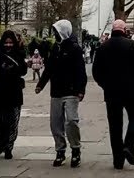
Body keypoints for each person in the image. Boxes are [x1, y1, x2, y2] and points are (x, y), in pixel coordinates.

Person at [93, 20, 134, 170]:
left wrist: (104, 85)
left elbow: (96, 71)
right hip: (131, 91)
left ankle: (117, 160)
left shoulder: (103, 47)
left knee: (115, 125)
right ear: (124, 30)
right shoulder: (132, 45)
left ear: (113, 30)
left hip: (111, 92)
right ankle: (129, 145)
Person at [35, 19, 87, 168]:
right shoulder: (55, 48)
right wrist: (40, 84)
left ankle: (75, 149)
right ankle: (60, 150)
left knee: (71, 120)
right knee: (55, 123)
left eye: (57, 32)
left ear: (63, 32)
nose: (55, 35)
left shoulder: (75, 49)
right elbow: (49, 69)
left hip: (71, 91)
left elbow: (81, 71)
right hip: (56, 91)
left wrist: (81, 90)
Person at [0, 31, 27, 160]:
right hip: (0, 92)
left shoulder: (19, 54)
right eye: (6, 42)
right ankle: (0, 143)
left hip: (14, 92)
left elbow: (23, 70)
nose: (8, 45)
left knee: (13, 121)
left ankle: (9, 146)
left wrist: (13, 69)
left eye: (11, 42)